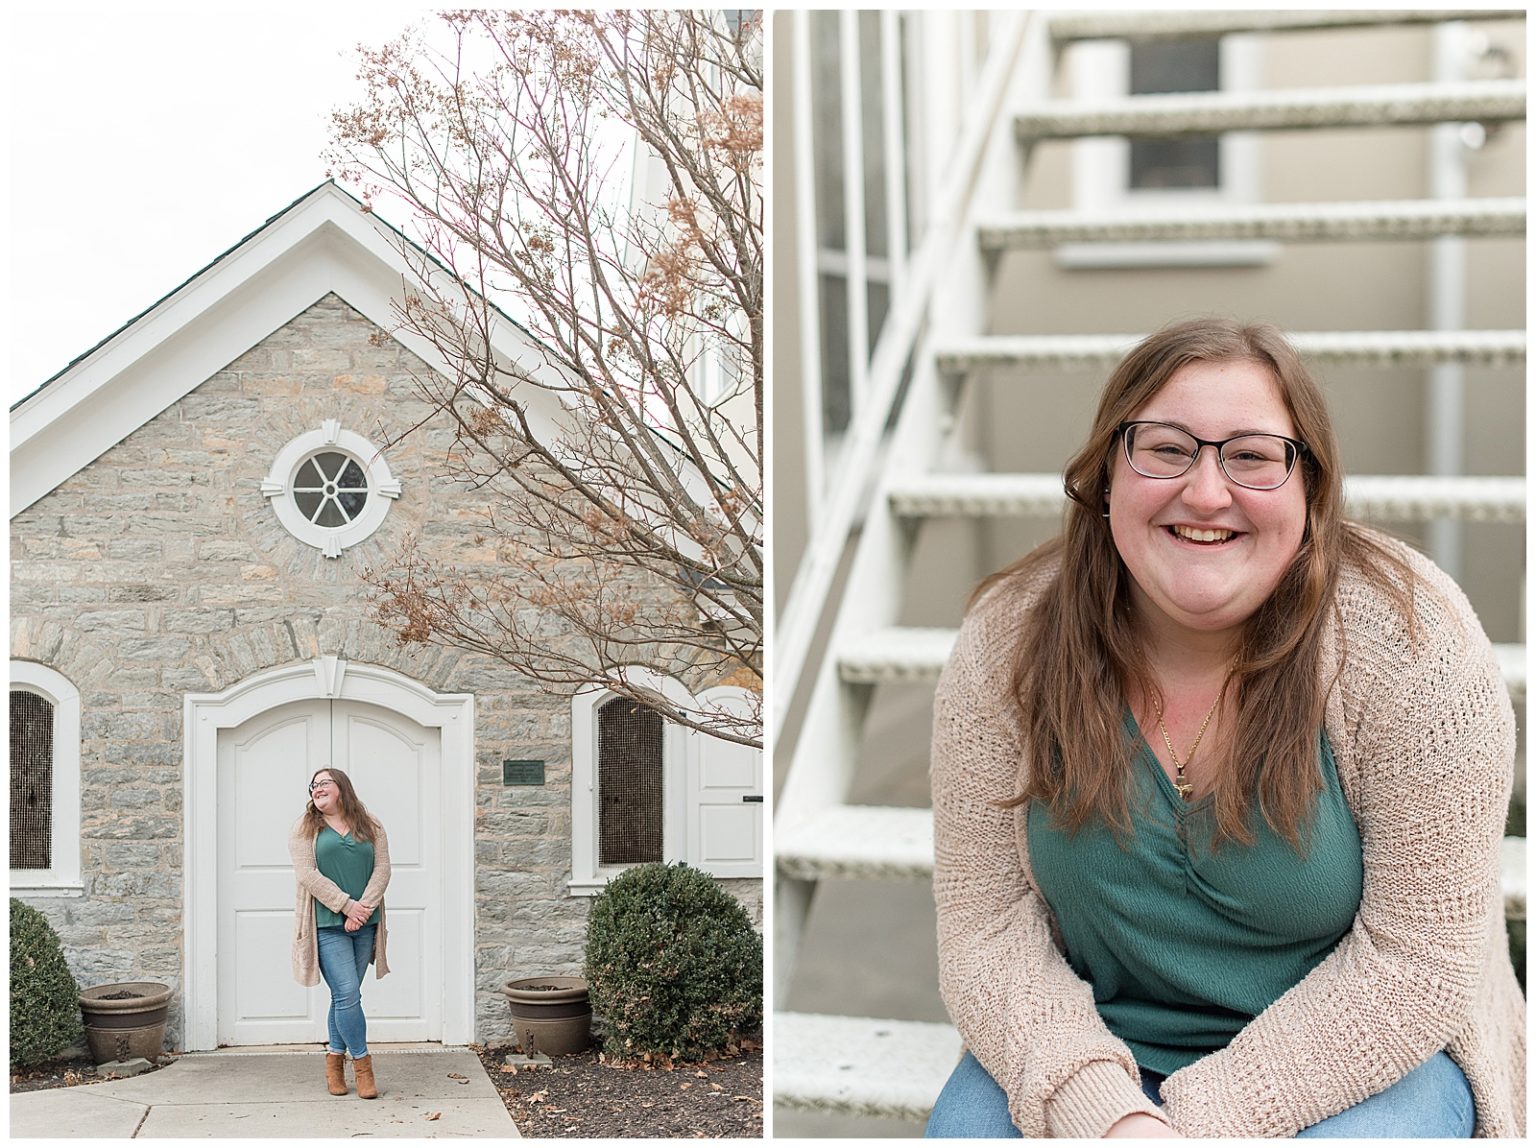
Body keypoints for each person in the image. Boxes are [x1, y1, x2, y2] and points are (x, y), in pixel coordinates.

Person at [926, 318, 1522, 1138]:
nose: (1206, 493)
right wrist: (1108, 1117)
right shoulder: (1008, 643)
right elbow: (985, 928)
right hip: (1092, 1052)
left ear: (1310, 488)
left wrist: (1197, 1123)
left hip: (1373, 1056)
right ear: (1106, 476)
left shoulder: (1411, 640)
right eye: (1166, 449)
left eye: (1251, 455)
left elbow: (1419, 961)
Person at [290, 767, 392, 1100]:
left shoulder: (371, 823)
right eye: (313, 786)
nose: (316, 789)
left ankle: (334, 1060)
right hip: (327, 923)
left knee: (343, 998)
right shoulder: (305, 828)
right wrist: (347, 906)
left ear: (341, 788)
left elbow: (382, 869)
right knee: (348, 993)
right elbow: (307, 874)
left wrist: (362, 910)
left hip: (366, 923)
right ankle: (362, 1065)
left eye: (323, 784)